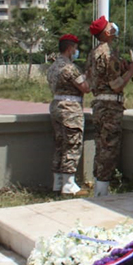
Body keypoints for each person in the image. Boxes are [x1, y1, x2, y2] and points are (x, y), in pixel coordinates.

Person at [87, 16, 133, 197]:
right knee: (109, 147)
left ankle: (99, 186)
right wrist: (131, 71)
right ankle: (102, 191)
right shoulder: (108, 53)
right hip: (110, 105)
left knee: (101, 145)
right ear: (107, 32)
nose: (113, 27)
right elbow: (116, 85)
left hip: (99, 104)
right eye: (110, 25)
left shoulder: (94, 52)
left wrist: (122, 69)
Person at [47, 34, 90, 195]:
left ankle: (57, 182)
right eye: (75, 48)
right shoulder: (69, 67)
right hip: (70, 109)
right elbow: (84, 87)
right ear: (70, 48)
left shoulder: (53, 67)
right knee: (72, 143)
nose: (76, 51)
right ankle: (69, 184)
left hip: (56, 106)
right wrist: (90, 78)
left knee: (60, 144)